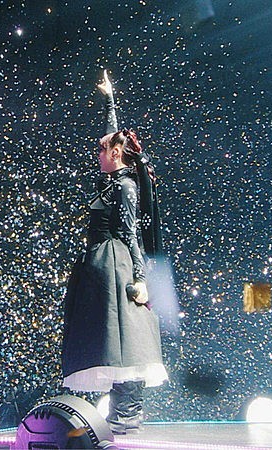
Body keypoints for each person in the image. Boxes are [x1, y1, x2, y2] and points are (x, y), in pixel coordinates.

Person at [61, 70, 168, 434]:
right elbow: (113, 133)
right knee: (111, 336)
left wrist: (140, 278)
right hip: (102, 263)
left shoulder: (125, 187)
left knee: (127, 336)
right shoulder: (111, 180)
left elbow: (131, 232)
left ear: (116, 153)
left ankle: (127, 413)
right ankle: (122, 413)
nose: (98, 152)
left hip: (117, 262)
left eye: (102, 149)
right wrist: (109, 100)